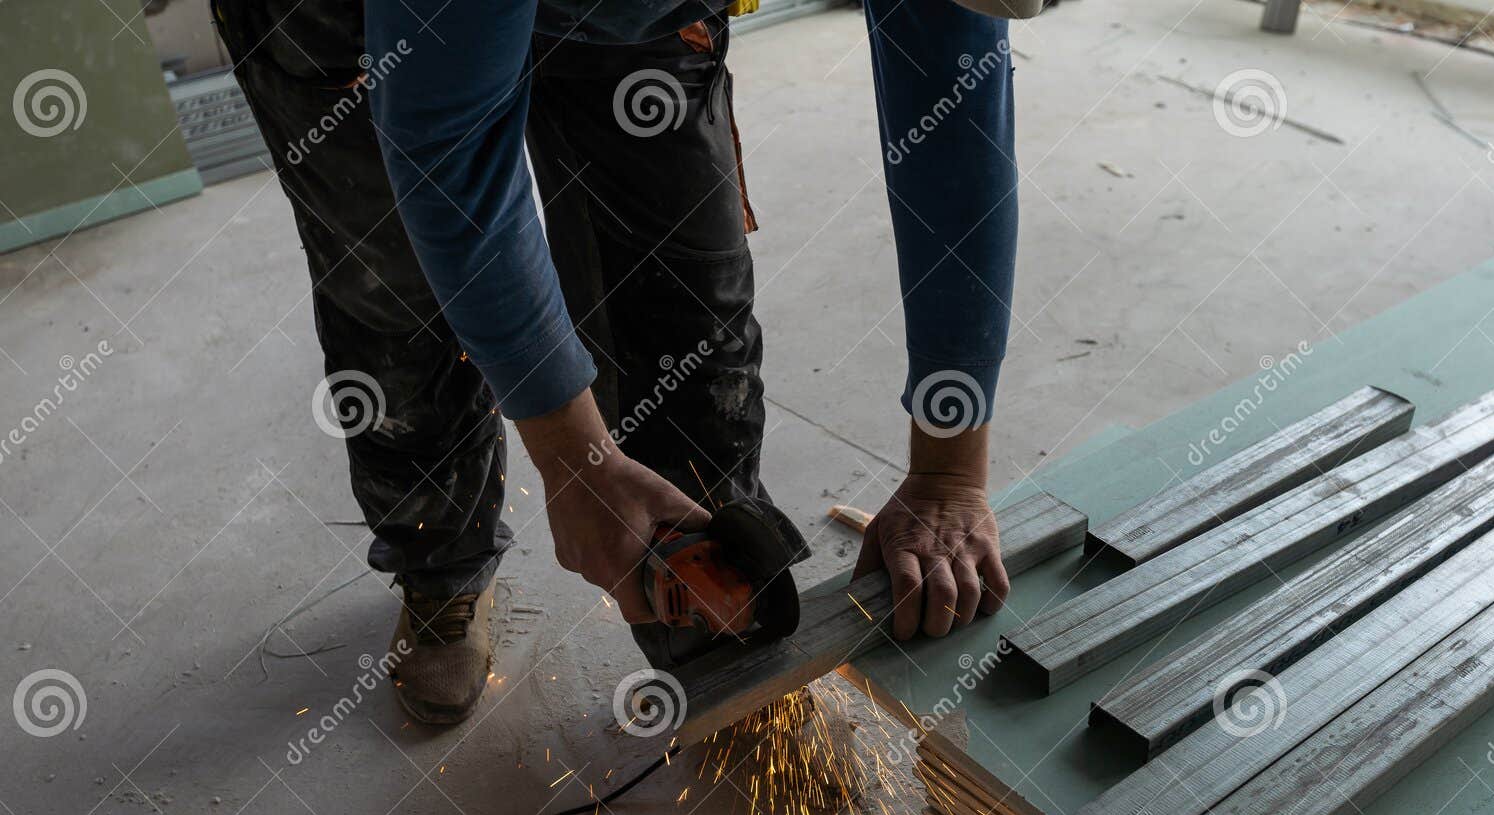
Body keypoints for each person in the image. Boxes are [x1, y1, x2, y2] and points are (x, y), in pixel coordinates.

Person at [212, 0, 1025, 725]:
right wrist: (573, 459)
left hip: (631, 19)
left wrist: (949, 472)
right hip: (347, 20)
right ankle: (441, 568)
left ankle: (713, 612)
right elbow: (442, 151)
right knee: (399, 286)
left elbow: (955, 130)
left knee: (679, 301)